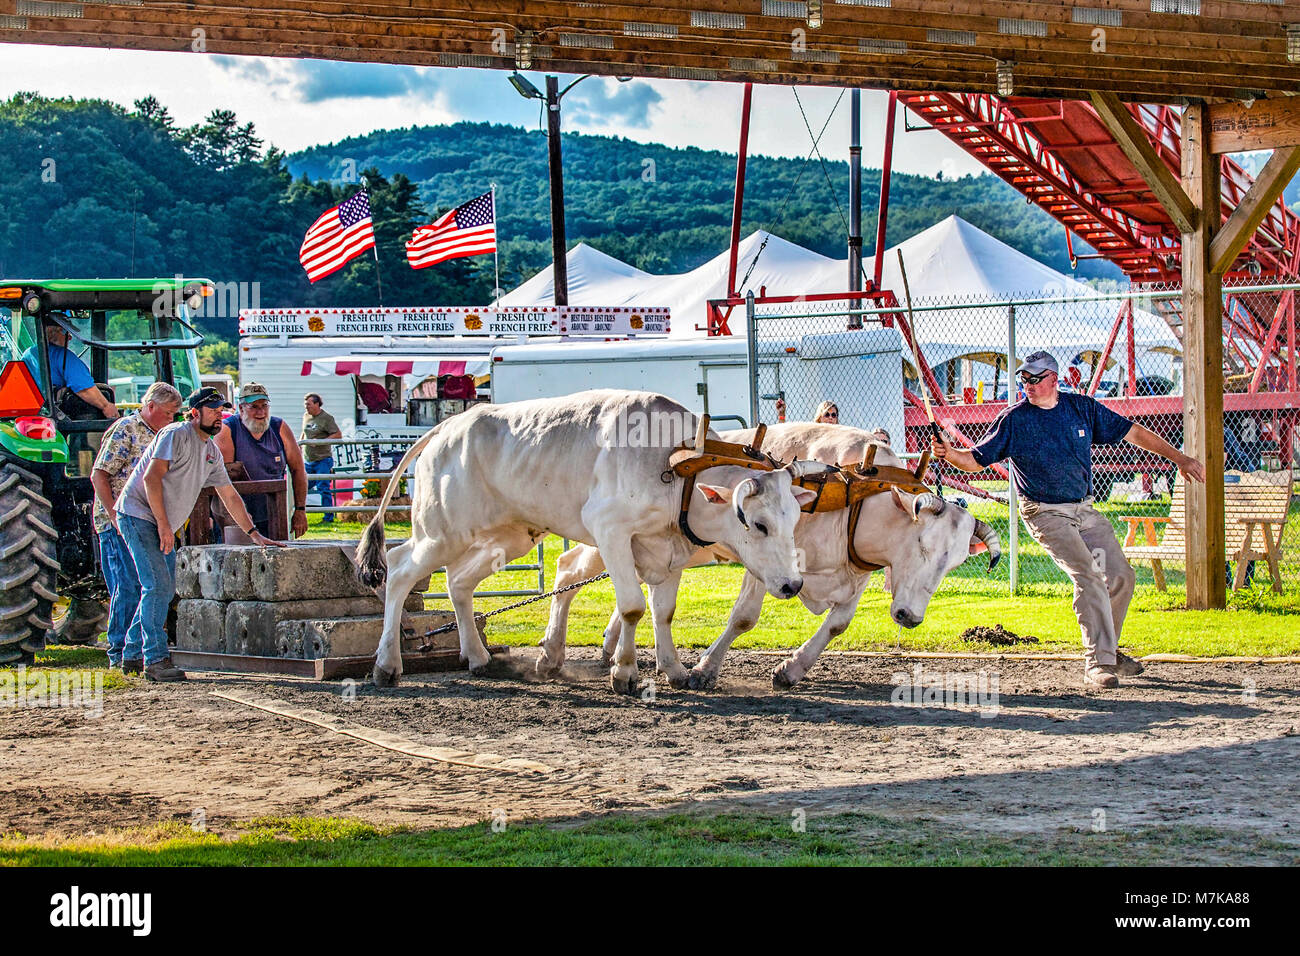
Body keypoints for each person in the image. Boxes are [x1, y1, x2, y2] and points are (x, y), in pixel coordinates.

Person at [931, 350, 1206, 690]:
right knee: (1088, 574)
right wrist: (949, 454)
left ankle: (1107, 649)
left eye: (1034, 378)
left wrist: (1178, 457)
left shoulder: (1082, 408)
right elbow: (975, 460)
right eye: (1023, 379)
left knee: (1120, 575)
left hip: (1084, 510)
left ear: (1053, 379)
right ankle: (1098, 663)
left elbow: (1133, 433)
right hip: (1044, 513)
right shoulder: (1014, 419)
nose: (1027, 384)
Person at [116, 387, 285, 682]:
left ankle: (131, 655)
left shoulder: (210, 451)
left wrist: (254, 533)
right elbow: (150, 478)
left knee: (160, 588)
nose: (220, 416)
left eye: (222, 411)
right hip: (138, 515)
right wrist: (164, 525)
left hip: (157, 521)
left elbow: (229, 495)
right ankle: (154, 660)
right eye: (213, 410)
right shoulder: (175, 435)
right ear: (194, 414)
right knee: (157, 588)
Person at [88, 382, 183, 674]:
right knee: (126, 586)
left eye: (175, 414)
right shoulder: (125, 430)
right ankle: (118, 652)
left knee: (154, 585)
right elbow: (99, 475)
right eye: (167, 413)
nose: (171, 419)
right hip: (119, 521)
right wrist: (114, 515)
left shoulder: (164, 434)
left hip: (150, 520)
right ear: (150, 406)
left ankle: (137, 649)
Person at [214, 382, 309, 539]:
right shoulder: (228, 429)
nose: (261, 412)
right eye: (254, 407)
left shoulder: (279, 427)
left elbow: (298, 470)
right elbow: (224, 480)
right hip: (238, 517)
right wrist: (240, 518)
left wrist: (300, 509)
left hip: (274, 514)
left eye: (264, 406)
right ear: (241, 408)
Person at [21, 315, 119, 419]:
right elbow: (84, 389)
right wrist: (106, 406)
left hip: (33, 415)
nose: (70, 337)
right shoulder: (63, 356)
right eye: (66, 332)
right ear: (52, 333)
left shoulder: (28, 354)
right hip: (57, 418)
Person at [300, 393, 342, 525]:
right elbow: (304, 432)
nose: (306, 407)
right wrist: (300, 444)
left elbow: (338, 434)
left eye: (309, 404)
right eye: (305, 404)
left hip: (323, 459)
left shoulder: (327, 418)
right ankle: (298, 513)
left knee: (323, 486)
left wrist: (321, 441)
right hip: (308, 459)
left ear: (317, 404)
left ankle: (328, 517)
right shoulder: (306, 416)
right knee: (302, 486)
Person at [774, 398, 840, 424]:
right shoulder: (813, 432)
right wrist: (781, 414)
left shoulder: (841, 435)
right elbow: (784, 432)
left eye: (834, 415)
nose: (830, 417)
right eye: (827, 414)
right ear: (820, 417)